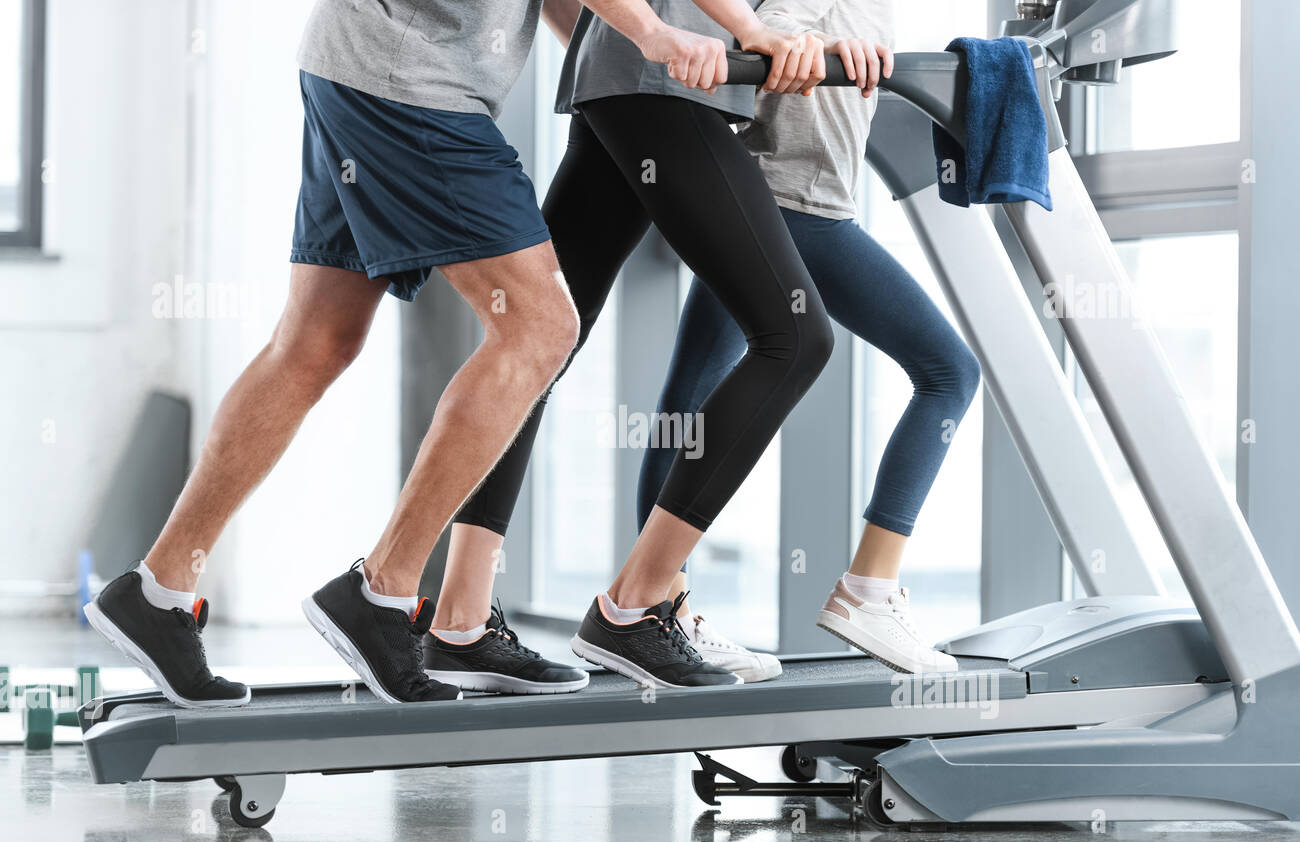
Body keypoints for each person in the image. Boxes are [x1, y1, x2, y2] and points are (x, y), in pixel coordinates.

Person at [81, 0, 758, 707]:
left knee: (315, 341)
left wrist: (618, 71)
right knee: (540, 327)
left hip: (356, 63)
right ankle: (384, 590)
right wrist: (653, 33)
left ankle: (157, 591)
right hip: (410, 80)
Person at [426, 0, 849, 690]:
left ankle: (460, 618)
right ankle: (636, 607)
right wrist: (741, 32)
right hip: (667, 86)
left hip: (629, 81)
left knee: (538, 345)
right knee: (796, 338)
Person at [638, 0, 982, 675]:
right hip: (800, 209)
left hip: (748, 200)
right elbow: (770, 37)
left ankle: (658, 609)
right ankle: (869, 590)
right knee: (949, 372)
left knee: (689, 398)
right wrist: (812, 46)